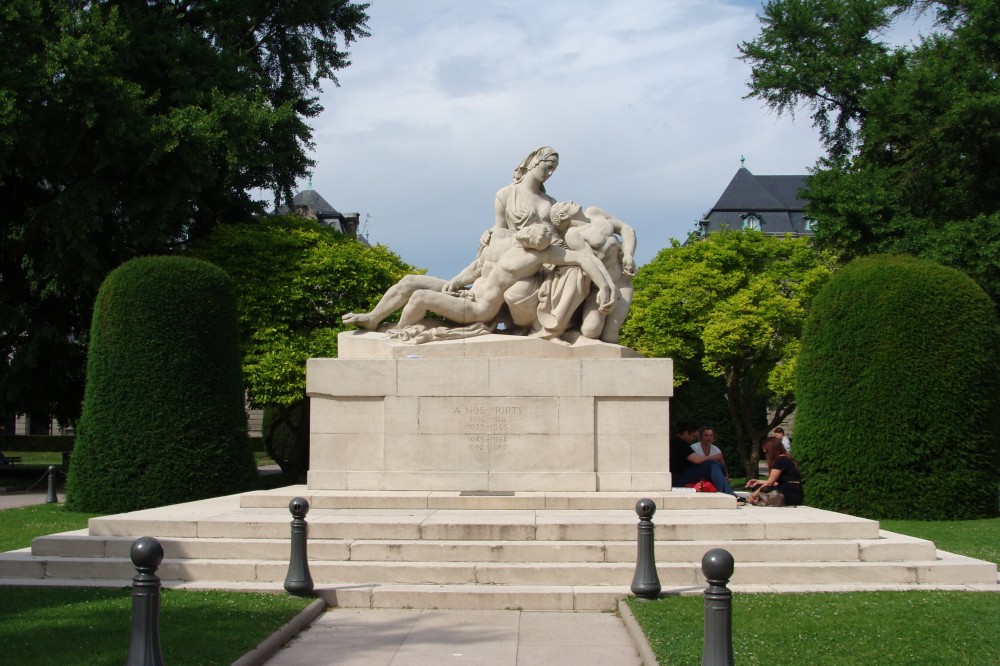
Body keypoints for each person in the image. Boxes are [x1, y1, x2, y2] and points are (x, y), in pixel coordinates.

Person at [392, 224, 616, 331]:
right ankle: (372, 319)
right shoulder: (499, 236)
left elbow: (584, 259)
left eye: (545, 239)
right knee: (411, 281)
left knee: (420, 297)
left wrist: (605, 287)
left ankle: (398, 333)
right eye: (539, 235)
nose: (541, 240)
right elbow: (477, 267)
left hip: (479, 307)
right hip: (467, 292)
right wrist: (458, 280)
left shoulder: (542, 254)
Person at [549, 201, 637, 343]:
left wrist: (628, 255)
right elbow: (592, 261)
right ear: (563, 216)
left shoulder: (595, 213)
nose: (570, 201)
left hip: (622, 284)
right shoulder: (573, 235)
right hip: (599, 290)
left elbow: (626, 229)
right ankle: (571, 333)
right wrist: (607, 288)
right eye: (565, 204)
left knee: (610, 337)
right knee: (591, 331)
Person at [669, 421, 736, 496]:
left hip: (683, 474)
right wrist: (715, 457)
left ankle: (724, 488)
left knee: (720, 466)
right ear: (687, 433)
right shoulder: (679, 443)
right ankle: (729, 493)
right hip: (679, 476)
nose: (693, 439)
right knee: (711, 464)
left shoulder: (681, 443)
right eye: (693, 436)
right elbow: (697, 460)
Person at [746, 436, 803, 506]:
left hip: (791, 492)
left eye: (766, 451)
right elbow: (776, 482)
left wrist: (752, 496)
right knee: (757, 487)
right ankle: (761, 500)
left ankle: (758, 500)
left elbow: (769, 483)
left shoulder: (780, 460)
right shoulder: (785, 457)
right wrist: (758, 482)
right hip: (791, 490)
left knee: (764, 489)